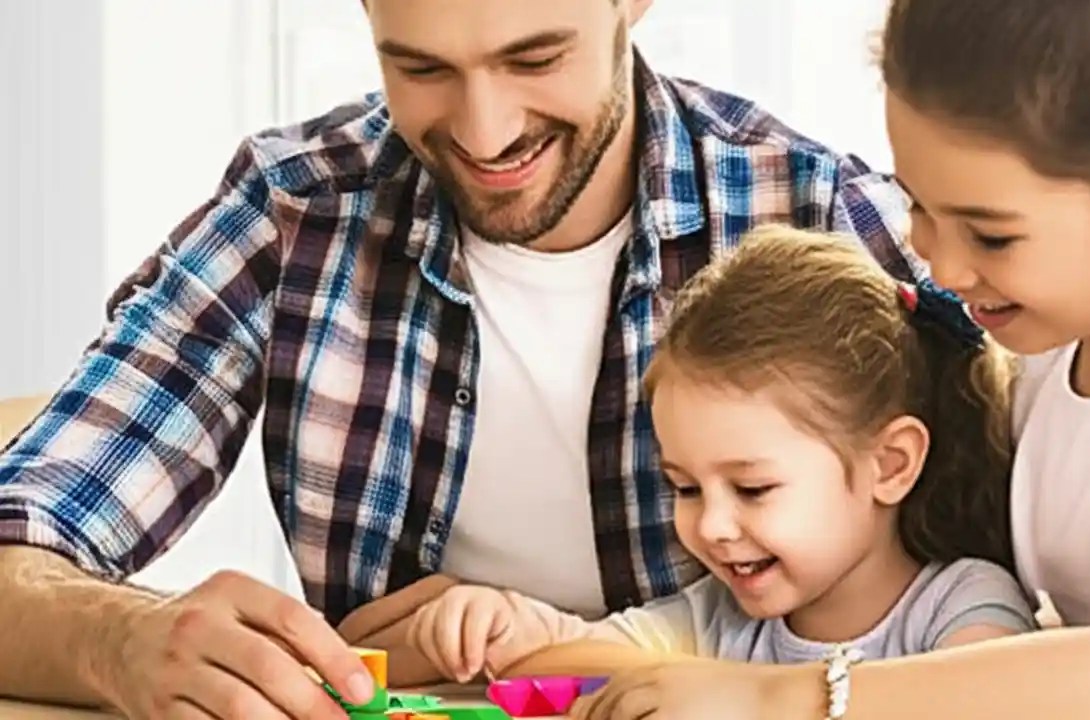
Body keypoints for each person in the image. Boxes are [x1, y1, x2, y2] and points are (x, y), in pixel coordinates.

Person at [0, 0, 914, 718]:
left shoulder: (813, 212)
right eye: (422, 67)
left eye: (535, 57)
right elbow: (25, 534)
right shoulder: (297, 211)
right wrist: (119, 640)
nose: (483, 133)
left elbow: (1007, 600)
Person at [558, 1, 1090, 718]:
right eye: (921, 208)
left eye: (992, 236)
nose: (942, 263)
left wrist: (770, 698)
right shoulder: (1049, 362)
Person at [406, 226, 1036, 684]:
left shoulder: (965, 605)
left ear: (890, 464)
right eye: (686, 488)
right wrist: (505, 624)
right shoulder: (715, 620)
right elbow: (568, 657)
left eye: (753, 489)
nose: (709, 526)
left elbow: (984, 701)